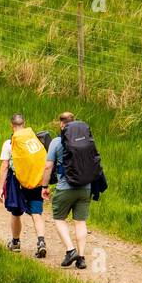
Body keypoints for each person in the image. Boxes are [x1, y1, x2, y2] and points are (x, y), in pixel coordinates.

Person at [41, 110, 105, 271]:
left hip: (65, 188)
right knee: (80, 222)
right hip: (85, 187)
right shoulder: (86, 141)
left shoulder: (56, 142)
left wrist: (44, 186)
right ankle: (81, 258)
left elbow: (48, 166)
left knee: (59, 218)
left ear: (61, 124)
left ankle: (71, 251)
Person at [0, 114, 47, 258]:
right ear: (24, 124)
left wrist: (1, 187)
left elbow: (4, 166)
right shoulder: (35, 141)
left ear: (11, 125)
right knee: (36, 213)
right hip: (36, 180)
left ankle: (15, 243)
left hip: (17, 183)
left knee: (16, 212)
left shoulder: (9, 143)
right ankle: (41, 242)